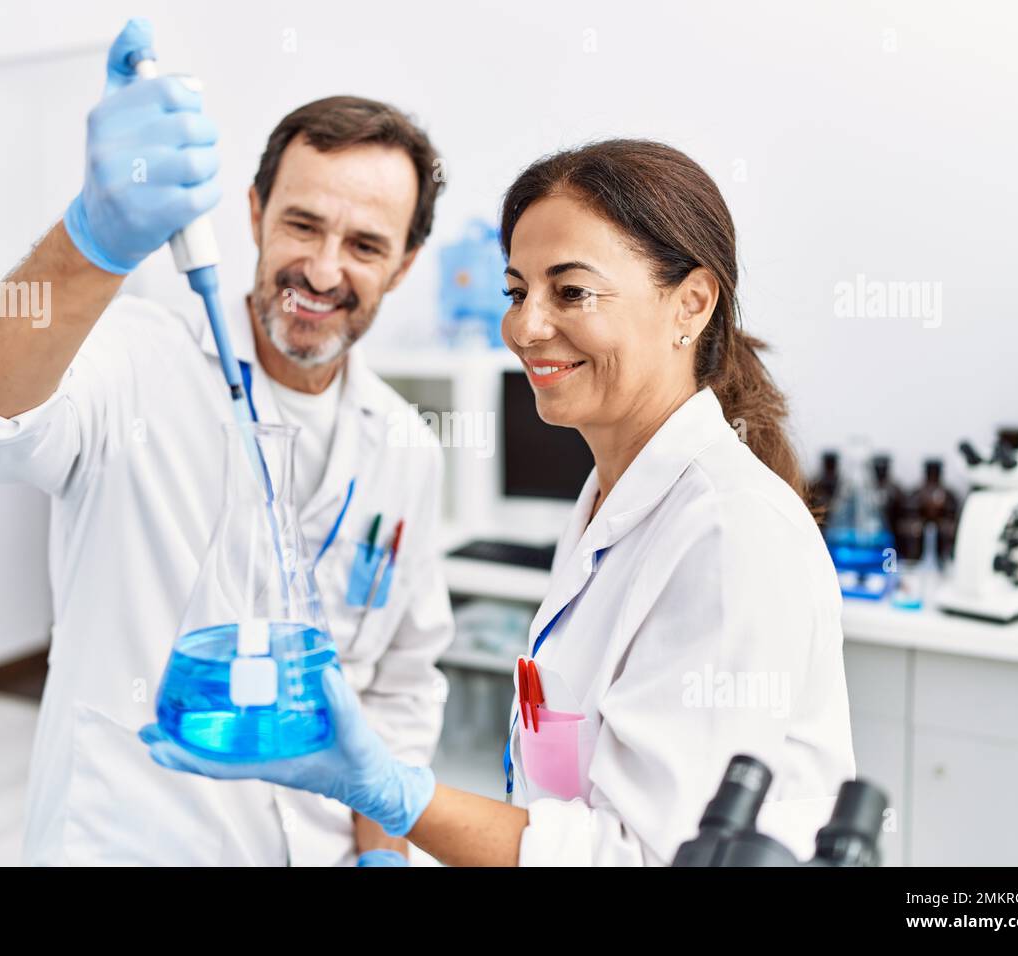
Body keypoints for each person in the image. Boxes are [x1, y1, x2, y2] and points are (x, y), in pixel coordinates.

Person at [142, 139, 856, 866]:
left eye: (570, 291)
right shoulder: (611, 504)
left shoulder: (730, 533)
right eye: (517, 292)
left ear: (692, 303)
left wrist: (397, 794)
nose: (525, 326)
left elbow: (645, 856)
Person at [0, 19, 453, 866]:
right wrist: (88, 242)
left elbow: (400, 684)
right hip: (131, 839)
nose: (321, 269)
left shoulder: (408, 448)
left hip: (319, 851)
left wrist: (382, 849)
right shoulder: (134, 355)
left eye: (364, 246)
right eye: (302, 225)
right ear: (252, 212)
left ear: (406, 264)